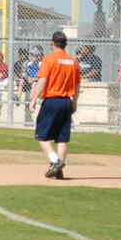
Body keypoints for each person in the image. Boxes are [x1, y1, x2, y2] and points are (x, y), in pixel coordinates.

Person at [34, 31, 81, 179]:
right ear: (65, 44)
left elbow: (43, 81)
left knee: (41, 136)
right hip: (67, 101)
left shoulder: (49, 59)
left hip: (52, 100)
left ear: (52, 43)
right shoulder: (73, 61)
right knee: (62, 138)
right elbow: (77, 86)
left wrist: (34, 97)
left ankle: (55, 162)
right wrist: (74, 102)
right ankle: (59, 171)